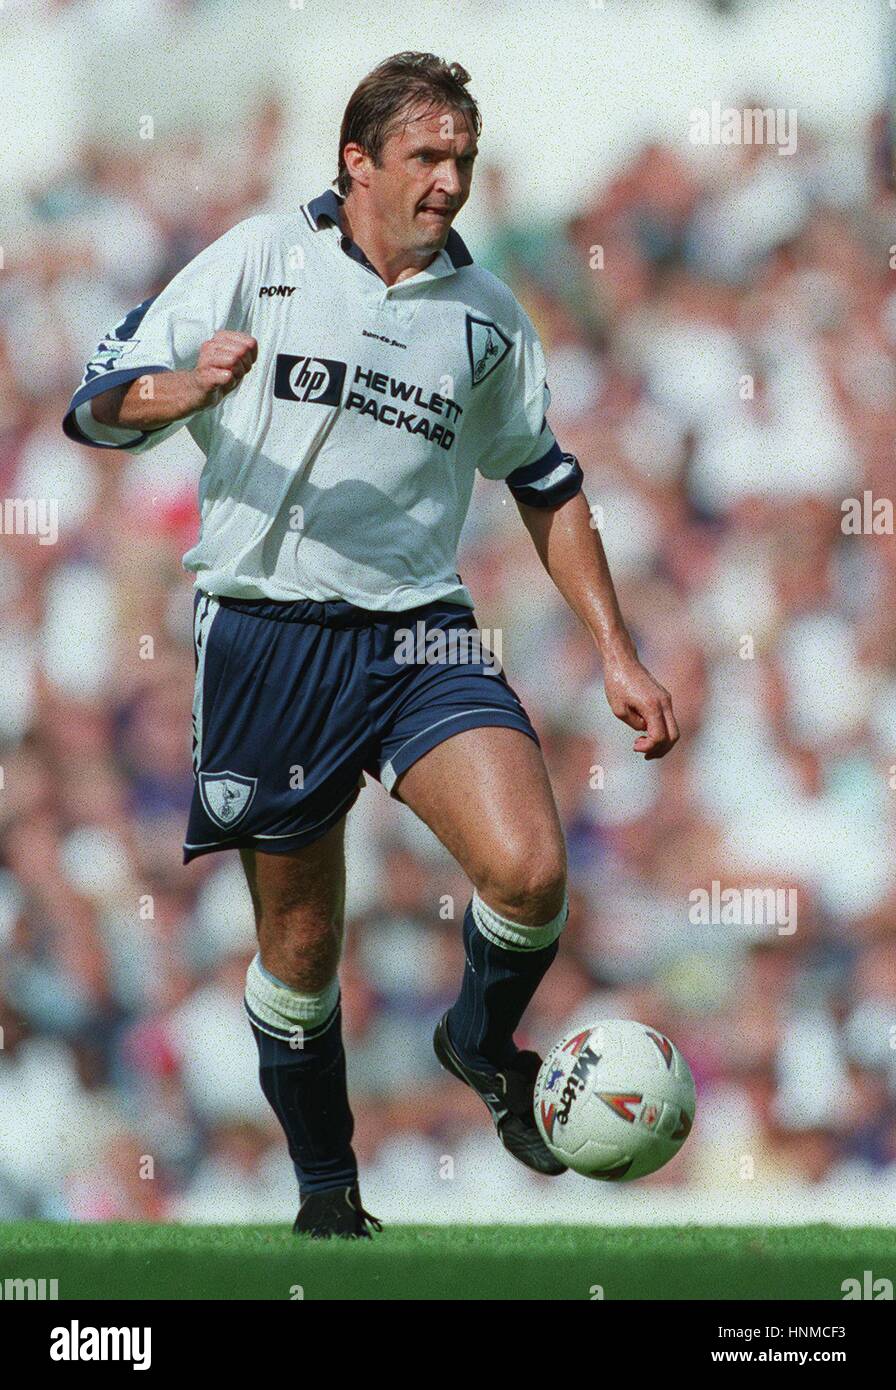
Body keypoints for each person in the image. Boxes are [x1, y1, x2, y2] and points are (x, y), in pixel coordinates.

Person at [63, 51, 679, 1238]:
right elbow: (98, 399)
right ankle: (329, 1199)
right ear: (356, 160)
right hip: (265, 637)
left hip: (418, 635)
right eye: (424, 157)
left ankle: (478, 1040)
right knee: (299, 952)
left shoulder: (488, 317)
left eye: (461, 159)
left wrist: (616, 648)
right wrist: (180, 390)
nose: (448, 180)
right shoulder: (258, 257)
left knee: (531, 871)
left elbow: (544, 482)